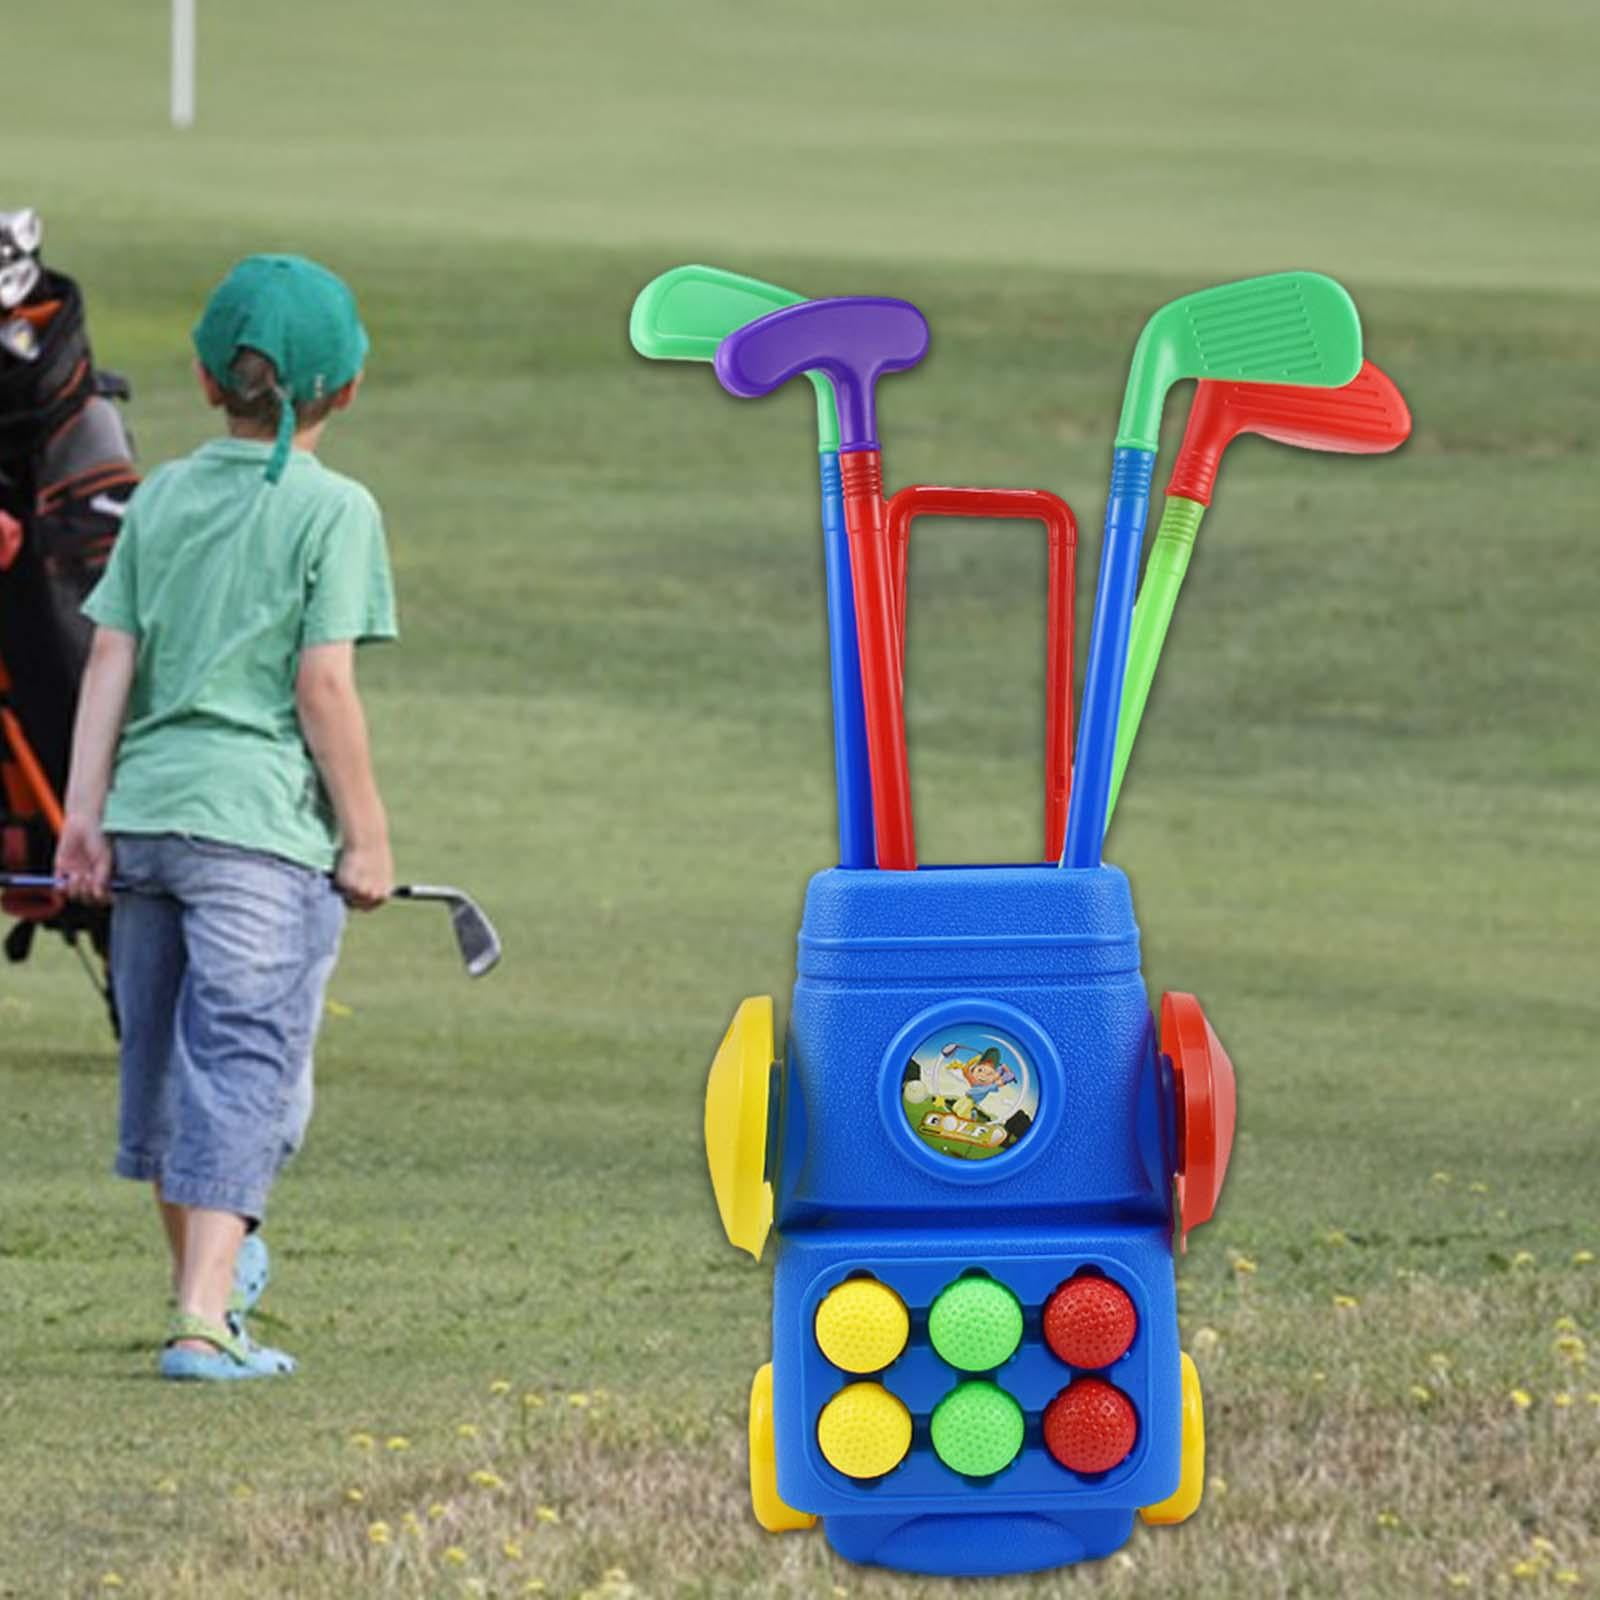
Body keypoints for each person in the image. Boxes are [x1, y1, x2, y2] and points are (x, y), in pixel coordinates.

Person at [55, 254, 397, 1380]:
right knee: (248, 1067)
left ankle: (209, 1287)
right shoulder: (336, 510)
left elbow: (110, 654)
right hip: (258, 834)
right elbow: (322, 687)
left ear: (207, 383)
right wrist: (368, 834)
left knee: (162, 1066)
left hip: (145, 821)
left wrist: (82, 816)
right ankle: (203, 1316)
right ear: (343, 390)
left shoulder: (158, 495)